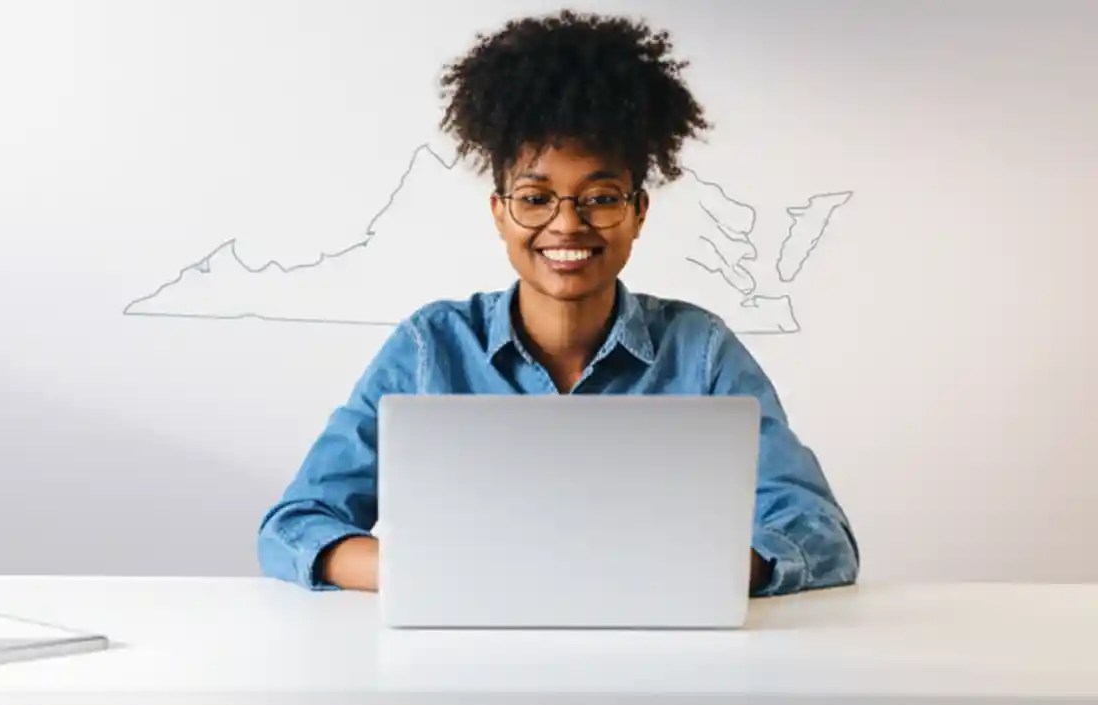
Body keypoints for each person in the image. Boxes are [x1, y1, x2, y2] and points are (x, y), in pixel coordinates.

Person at [257, 9, 859, 596]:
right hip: (460, 666)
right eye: (535, 197)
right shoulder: (430, 346)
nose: (566, 225)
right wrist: (430, 573)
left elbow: (821, 534)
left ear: (638, 212)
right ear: (500, 214)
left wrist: (700, 573)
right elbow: (295, 525)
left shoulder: (700, 352)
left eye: (599, 197)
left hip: (659, 666)